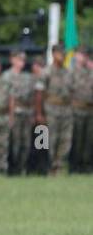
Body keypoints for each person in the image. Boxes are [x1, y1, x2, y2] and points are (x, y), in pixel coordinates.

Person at [37, 45, 75, 175]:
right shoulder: (46, 72)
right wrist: (39, 113)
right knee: (47, 140)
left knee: (65, 140)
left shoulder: (68, 72)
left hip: (66, 111)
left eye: (63, 54)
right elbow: (39, 93)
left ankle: (58, 167)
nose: (62, 56)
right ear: (53, 54)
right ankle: (46, 167)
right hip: (50, 110)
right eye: (60, 54)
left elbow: (72, 92)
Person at [2, 50, 35, 176]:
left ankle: (23, 168)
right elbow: (5, 97)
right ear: (12, 60)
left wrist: (32, 113)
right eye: (19, 59)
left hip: (26, 113)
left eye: (23, 60)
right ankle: (13, 168)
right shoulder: (6, 76)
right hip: (14, 113)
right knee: (13, 142)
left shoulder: (27, 77)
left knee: (25, 142)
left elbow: (32, 96)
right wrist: (9, 116)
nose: (22, 62)